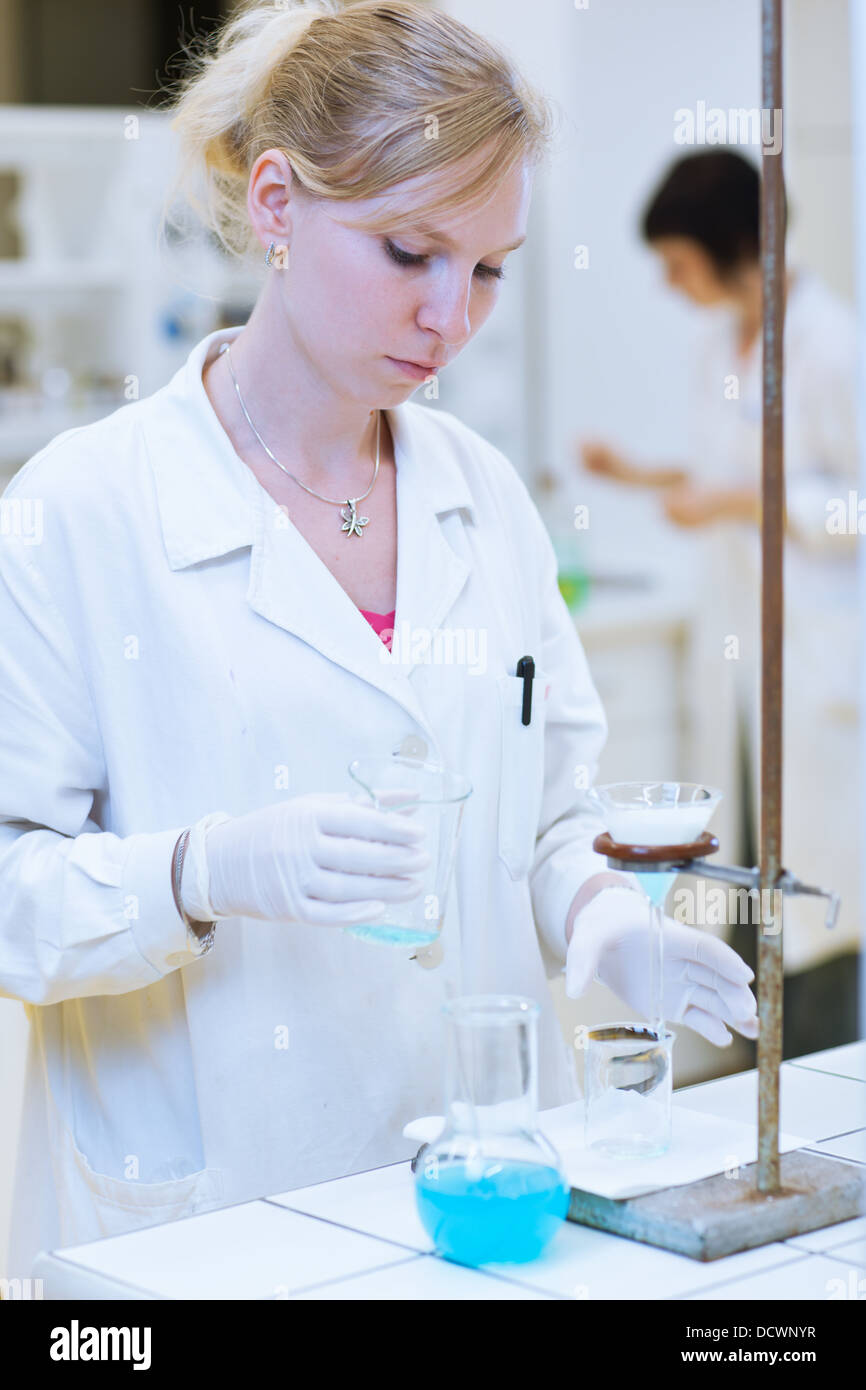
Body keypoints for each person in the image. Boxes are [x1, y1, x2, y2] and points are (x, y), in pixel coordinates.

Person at [0, 1, 758, 1278]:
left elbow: (550, 814)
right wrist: (198, 871)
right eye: (410, 252)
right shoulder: (81, 511)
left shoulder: (481, 493)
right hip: (211, 1212)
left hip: (482, 1185)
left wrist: (598, 915)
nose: (449, 316)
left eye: (490, 267)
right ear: (278, 204)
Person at [577, 149, 860, 1059]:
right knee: (739, 856)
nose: (670, 284)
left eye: (677, 262)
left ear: (732, 246)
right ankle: (749, 1065)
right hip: (741, 648)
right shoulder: (719, 346)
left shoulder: (831, 343)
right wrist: (637, 473)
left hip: (817, 652)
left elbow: (852, 503)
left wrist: (735, 502)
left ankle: (818, 1078)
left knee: (816, 884)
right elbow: (727, 470)